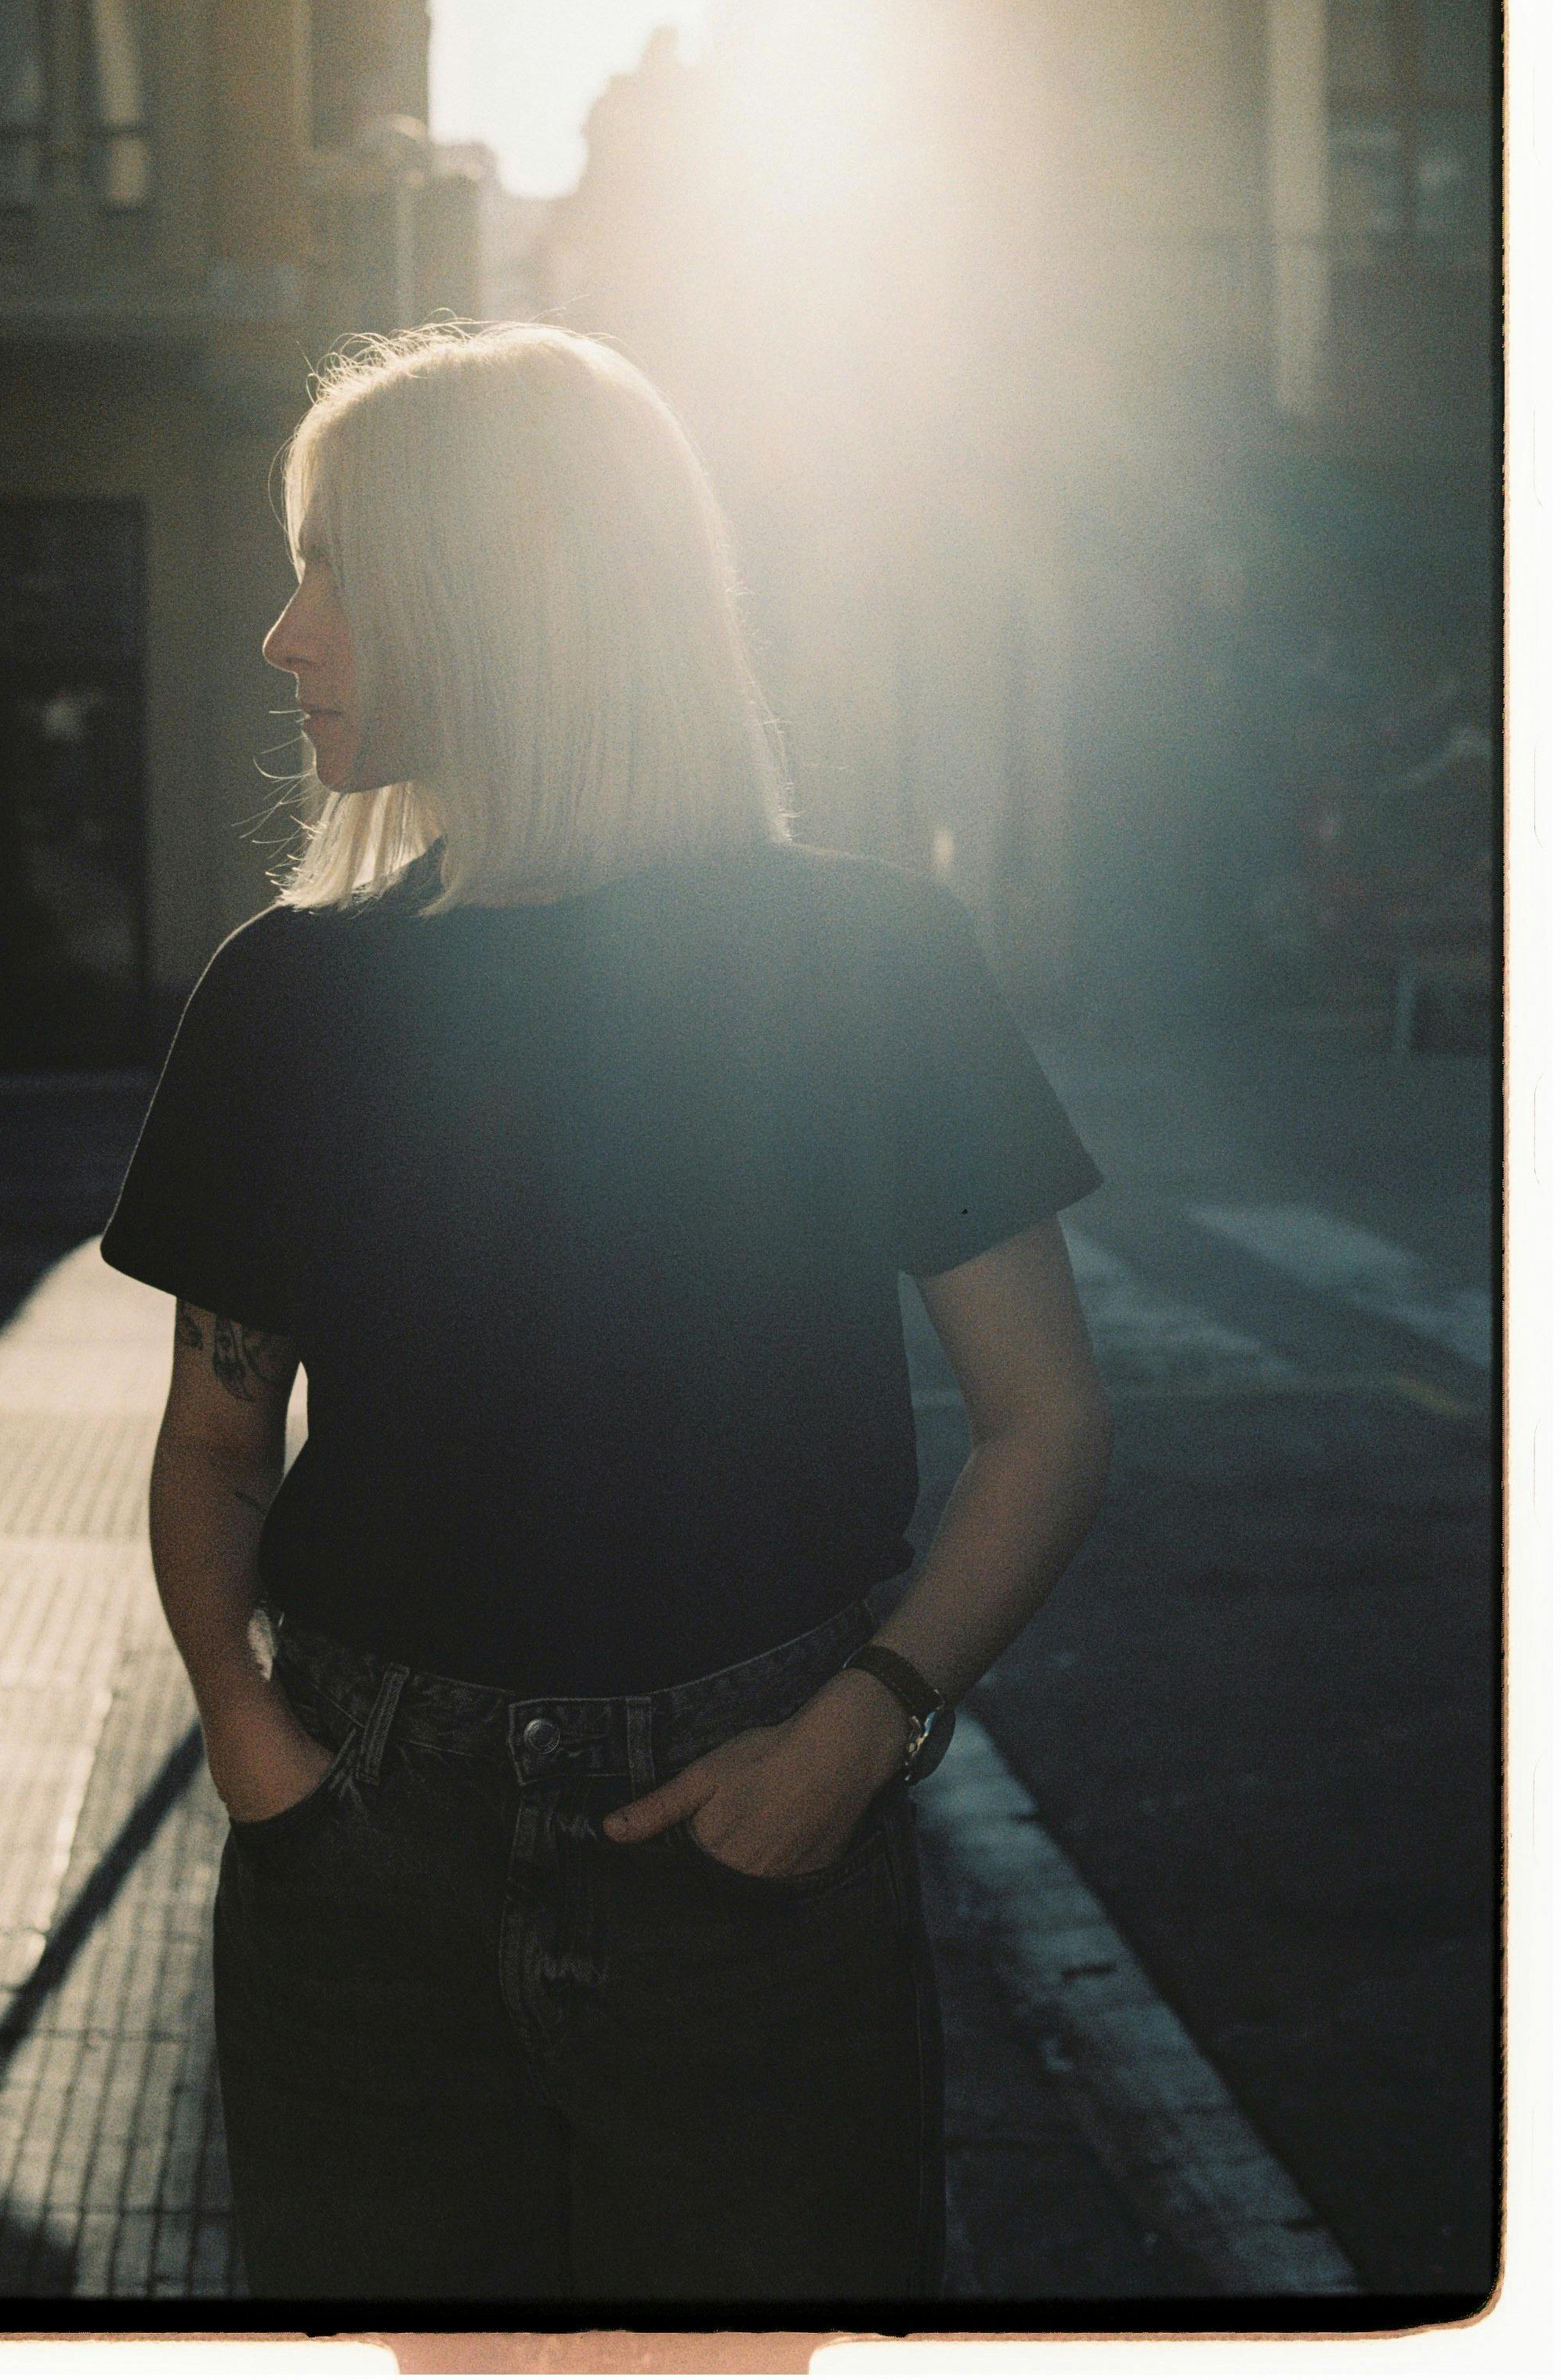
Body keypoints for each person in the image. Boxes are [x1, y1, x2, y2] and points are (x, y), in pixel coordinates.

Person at [100, 322, 1111, 2307]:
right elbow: (217, 1440)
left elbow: (1046, 1421)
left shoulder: (868, 959)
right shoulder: (284, 997)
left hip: (757, 1827)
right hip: (363, 1842)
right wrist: (250, 1735)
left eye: (333, 567)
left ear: (508, 587)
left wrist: (859, 1732)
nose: (285, 638)